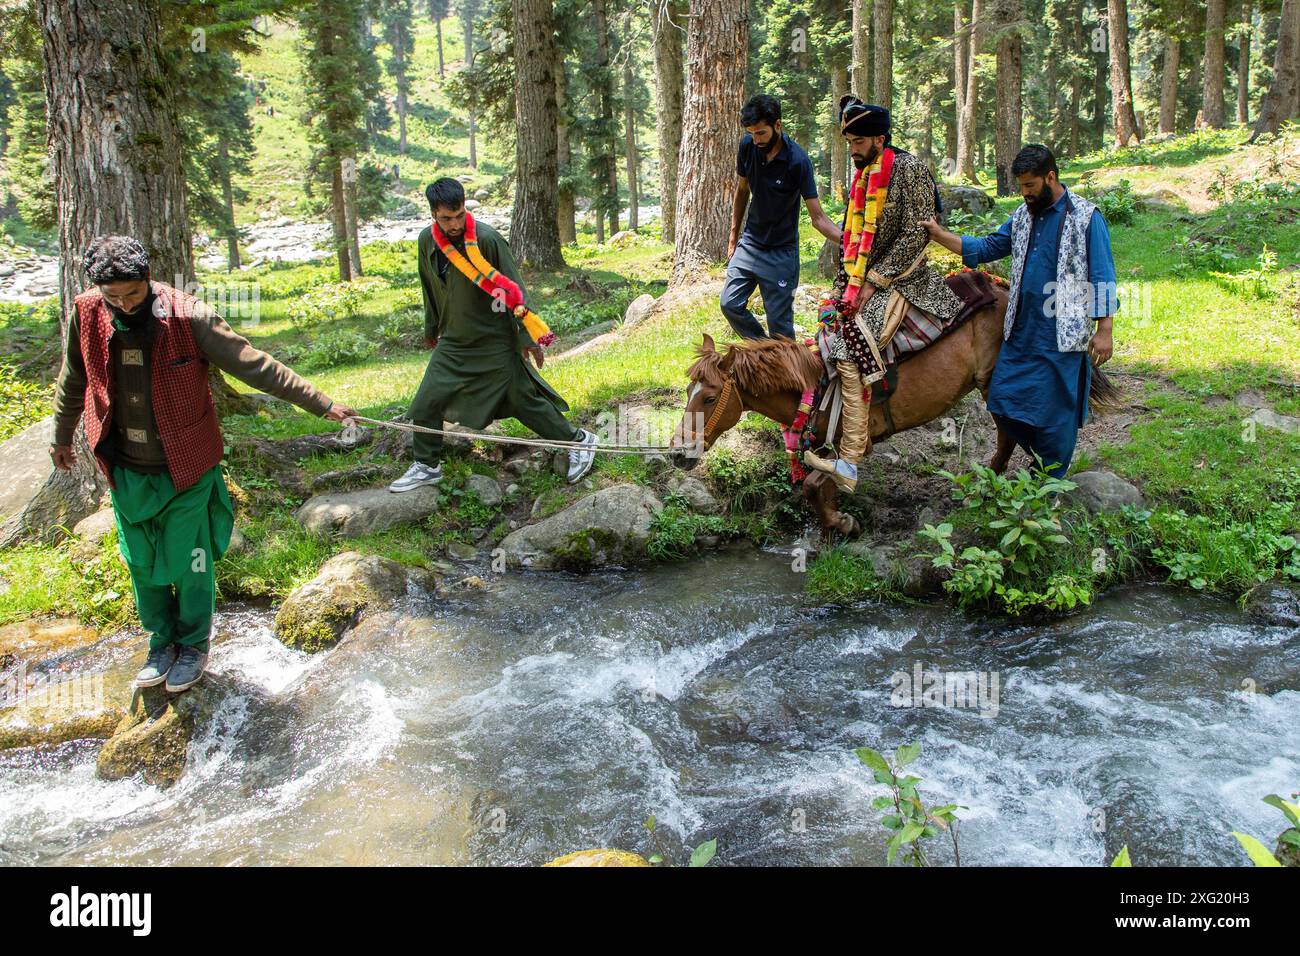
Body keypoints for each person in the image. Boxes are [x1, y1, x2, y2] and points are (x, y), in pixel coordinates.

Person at [50, 235, 358, 692]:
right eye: (112, 296)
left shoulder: (186, 314)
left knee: (192, 560)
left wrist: (322, 404)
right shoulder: (87, 311)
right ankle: (160, 643)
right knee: (139, 562)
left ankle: (193, 644)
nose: (124, 304)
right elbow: (74, 377)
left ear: (149, 280)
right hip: (124, 466)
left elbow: (255, 365)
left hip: (186, 465)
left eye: (133, 293)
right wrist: (61, 437)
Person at [390, 179, 597, 493]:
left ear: (464, 207)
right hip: (455, 343)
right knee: (425, 403)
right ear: (434, 215)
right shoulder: (426, 242)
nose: (455, 223)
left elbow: (515, 291)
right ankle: (426, 465)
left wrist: (528, 338)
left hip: (494, 341)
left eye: (459, 214)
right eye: (446, 218)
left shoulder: (487, 240)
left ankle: (579, 441)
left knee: (524, 401)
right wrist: (431, 328)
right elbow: (429, 287)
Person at [922, 144, 1117, 475]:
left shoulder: (1086, 217)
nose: (1024, 193)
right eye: (1021, 186)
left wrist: (1105, 329)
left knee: (1057, 413)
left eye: (1030, 185)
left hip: (1062, 333)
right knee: (1003, 400)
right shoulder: (1023, 217)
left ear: (1050, 177)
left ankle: (1051, 478)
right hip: (1022, 328)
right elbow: (988, 246)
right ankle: (1041, 457)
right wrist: (940, 235)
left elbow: (1102, 275)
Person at [803, 96, 965, 492]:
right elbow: (853, 239)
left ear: (880, 137)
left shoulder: (910, 170)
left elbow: (918, 233)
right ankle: (823, 436)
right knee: (826, 338)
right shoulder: (862, 174)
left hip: (904, 280)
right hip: (861, 282)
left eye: (859, 142)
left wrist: (874, 280)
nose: (853, 149)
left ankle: (851, 460)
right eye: (849, 142)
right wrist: (846, 286)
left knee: (851, 348)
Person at [721, 94, 843, 341]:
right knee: (730, 304)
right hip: (751, 243)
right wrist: (733, 237)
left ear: (778, 125)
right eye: (752, 133)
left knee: (781, 330)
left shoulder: (797, 160)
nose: (756, 140)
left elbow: (818, 217)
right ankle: (765, 351)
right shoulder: (747, 147)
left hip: (781, 253)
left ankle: (785, 370)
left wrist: (852, 243)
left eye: (761, 133)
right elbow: (742, 190)